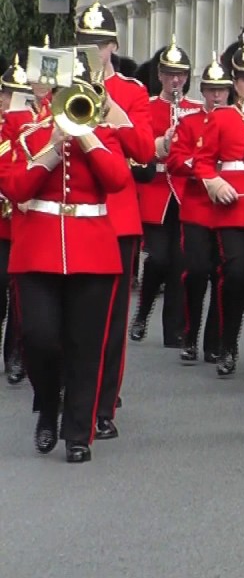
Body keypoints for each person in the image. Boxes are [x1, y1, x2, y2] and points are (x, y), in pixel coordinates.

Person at [4, 47, 131, 462]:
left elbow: (116, 180)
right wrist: (54, 148)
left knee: (86, 345)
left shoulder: (100, 126)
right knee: (39, 338)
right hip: (38, 247)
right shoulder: (21, 129)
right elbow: (17, 188)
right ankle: (47, 403)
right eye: (56, 86)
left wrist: (88, 136)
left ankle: (78, 434)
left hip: (92, 248)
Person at [73, 0, 156, 442]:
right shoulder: (59, 85)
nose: (93, 51)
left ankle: (103, 405)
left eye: (100, 44)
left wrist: (116, 116)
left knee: (110, 320)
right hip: (68, 216)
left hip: (116, 216)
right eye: (85, 43)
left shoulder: (131, 90)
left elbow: (145, 151)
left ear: (113, 47)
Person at [192, 46, 244, 377]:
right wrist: (214, 183)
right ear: (234, 82)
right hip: (233, 202)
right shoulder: (222, 117)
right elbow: (203, 161)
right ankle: (226, 344)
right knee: (235, 275)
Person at [131, 41, 201, 349]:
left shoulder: (197, 109)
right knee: (157, 258)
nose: (176, 81)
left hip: (185, 191)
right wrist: (163, 142)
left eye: (181, 75)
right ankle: (143, 313)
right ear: (160, 75)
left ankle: (175, 329)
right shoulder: (147, 106)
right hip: (157, 189)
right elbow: (140, 146)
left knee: (180, 263)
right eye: (170, 74)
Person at [167, 56, 234, 365]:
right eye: (211, 90)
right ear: (203, 91)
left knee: (223, 275)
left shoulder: (236, 120)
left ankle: (215, 340)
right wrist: (201, 166)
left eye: (221, 90)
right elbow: (175, 161)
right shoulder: (191, 121)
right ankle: (190, 334)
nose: (217, 96)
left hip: (228, 206)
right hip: (197, 206)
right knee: (195, 272)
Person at [0, 57, 29, 385]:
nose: (11, 101)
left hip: (21, 222)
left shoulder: (31, 126)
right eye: (9, 94)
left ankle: (16, 354)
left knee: (19, 291)